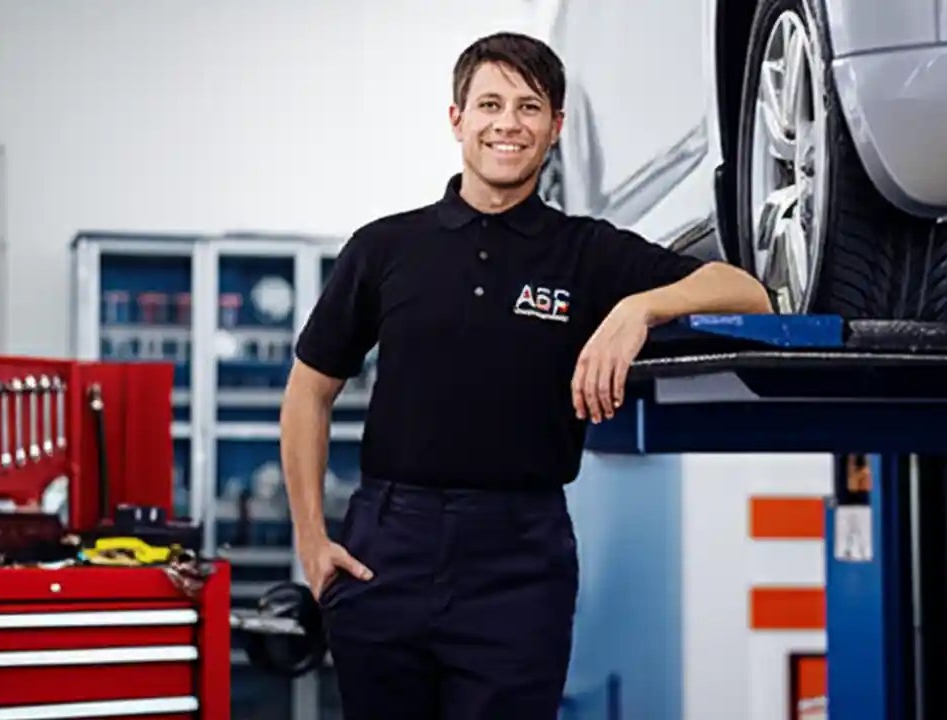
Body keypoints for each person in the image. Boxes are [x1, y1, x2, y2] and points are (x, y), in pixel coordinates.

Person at [280, 31, 772, 720]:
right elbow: (309, 392)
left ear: (555, 127)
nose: (507, 124)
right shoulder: (385, 248)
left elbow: (748, 292)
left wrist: (640, 307)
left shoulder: (586, 252)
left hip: (519, 559)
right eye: (490, 104)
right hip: (387, 549)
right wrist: (310, 539)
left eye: (529, 107)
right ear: (457, 119)